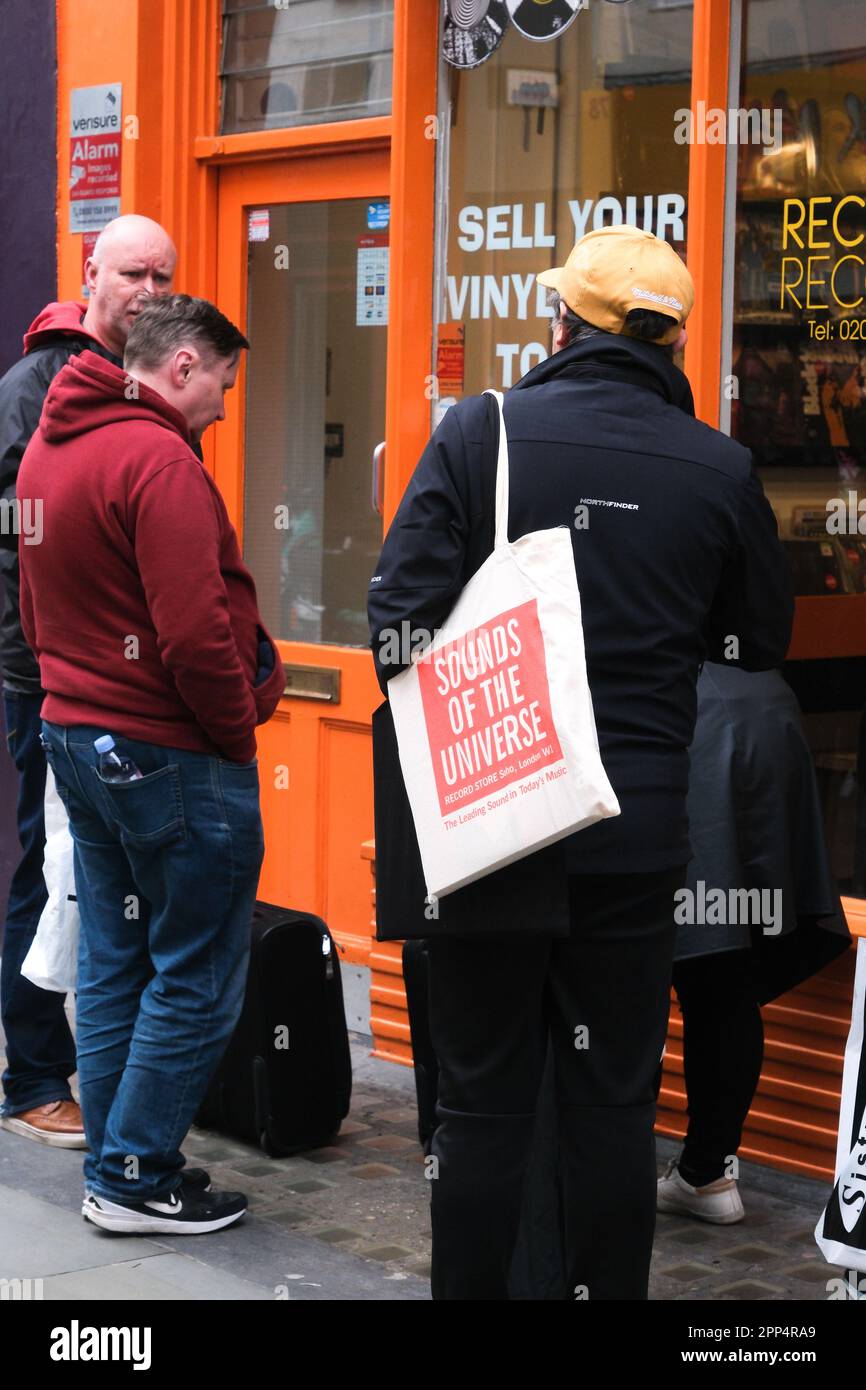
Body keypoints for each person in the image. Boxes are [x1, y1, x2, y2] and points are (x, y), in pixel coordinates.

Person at [368, 225, 794, 1300]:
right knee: (613, 1106)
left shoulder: (483, 431)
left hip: (497, 822)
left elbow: (393, 625)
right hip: (638, 835)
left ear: (563, 323)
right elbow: (756, 636)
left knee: (479, 1105)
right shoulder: (719, 463)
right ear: (668, 341)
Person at [17, 294, 285, 1235]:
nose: (224, 401)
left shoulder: (55, 444)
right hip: (166, 750)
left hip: (78, 737)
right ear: (181, 368)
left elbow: (35, 609)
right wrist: (239, 727)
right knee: (199, 971)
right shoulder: (159, 458)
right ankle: (132, 1176)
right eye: (222, 380)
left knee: (120, 958)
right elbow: (194, 632)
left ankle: (113, 1163)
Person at [0, 215, 177, 1147]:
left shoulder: (149, 386)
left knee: (104, 873)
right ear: (90, 275)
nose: (148, 290)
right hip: (46, 676)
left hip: (122, 681)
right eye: (132, 274)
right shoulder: (34, 389)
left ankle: (110, 1077)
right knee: (50, 864)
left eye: (162, 276)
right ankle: (31, 1074)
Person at [657, 662, 850, 1223]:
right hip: (757, 705)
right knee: (720, 975)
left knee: (639, 968)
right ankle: (708, 1174)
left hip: (680, 711)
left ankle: (678, 1176)